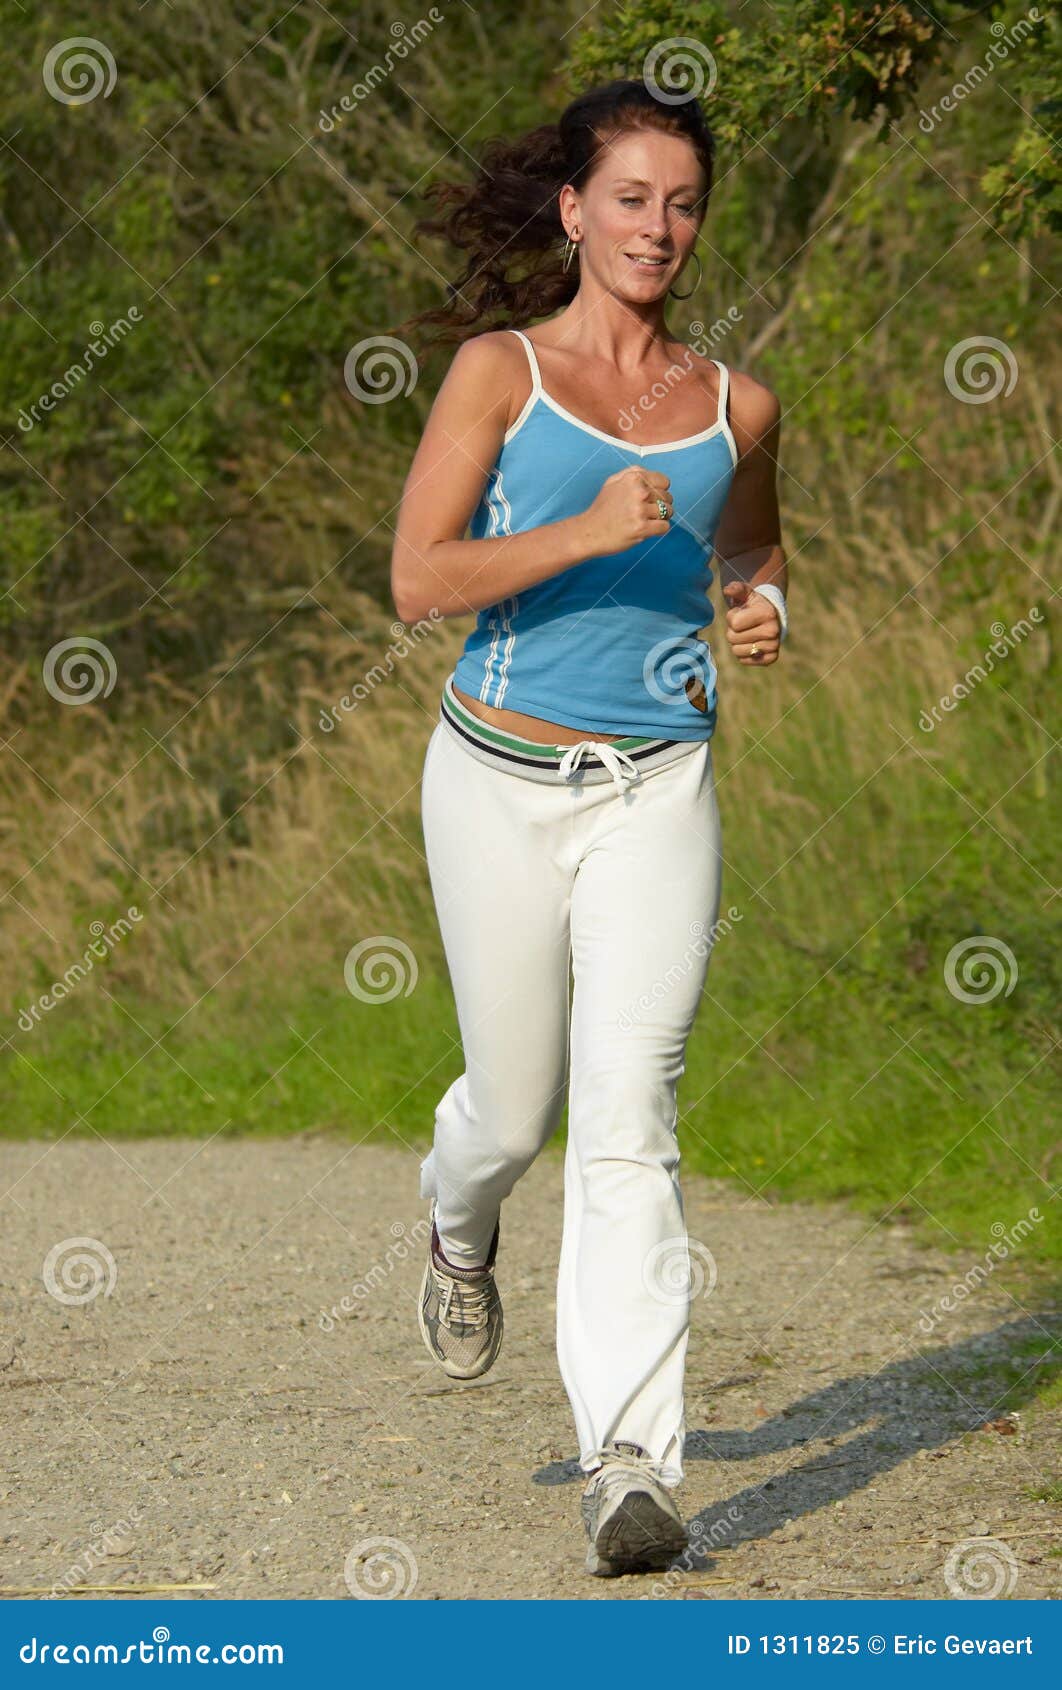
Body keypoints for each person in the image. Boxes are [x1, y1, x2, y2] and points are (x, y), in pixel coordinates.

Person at [390, 78, 787, 1578]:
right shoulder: (501, 372)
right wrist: (583, 531)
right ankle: (456, 1214)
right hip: (492, 777)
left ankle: (629, 1458)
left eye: (680, 205)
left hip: (658, 785)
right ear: (572, 209)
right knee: (513, 1109)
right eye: (630, 198)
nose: (657, 228)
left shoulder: (733, 401)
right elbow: (418, 580)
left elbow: (747, 540)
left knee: (631, 1120)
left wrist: (761, 608)